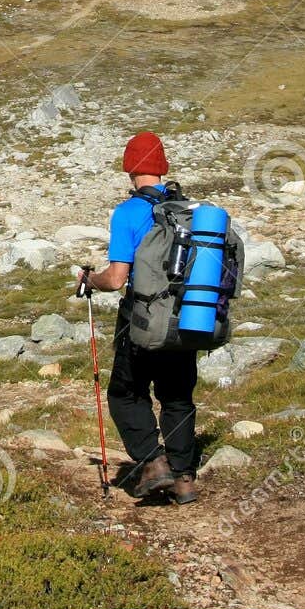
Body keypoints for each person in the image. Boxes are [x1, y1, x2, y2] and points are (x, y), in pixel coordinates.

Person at [79, 131, 200, 504]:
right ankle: (184, 480)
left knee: (126, 393)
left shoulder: (128, 212)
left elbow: (116, 279)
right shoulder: (187, 211)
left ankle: (152, 462)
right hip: (184, 317)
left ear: (130, 168)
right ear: (162, 168)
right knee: (177, 395)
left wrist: (89, 280)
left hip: (141, 319)